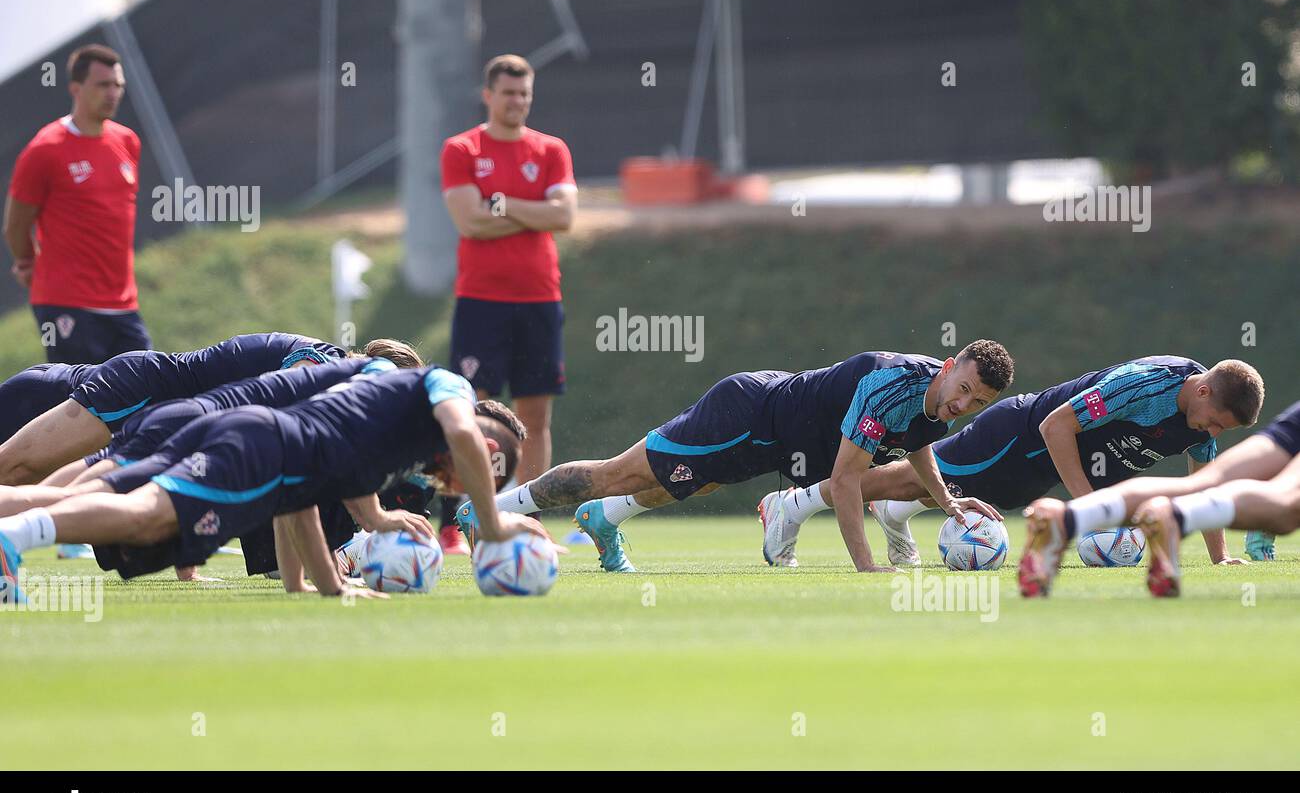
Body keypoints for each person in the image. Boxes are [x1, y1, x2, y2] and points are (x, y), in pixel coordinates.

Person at [457, 342, 1015, 573]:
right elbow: (848, 481)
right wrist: (867, 570)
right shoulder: (887, 384)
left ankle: (605, 519)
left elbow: (916, 441)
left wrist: (947, 502)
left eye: (978, 403)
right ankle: (489, 509)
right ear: (948, 367)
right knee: (616, 472)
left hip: (769, 437)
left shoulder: (932, 404)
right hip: (746, 416)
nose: (963, 405)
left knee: (700, 484)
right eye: (963, 388)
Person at [0, 366, 542, 603]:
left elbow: (296, 501)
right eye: (469, 479)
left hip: (255, 438)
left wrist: (319, 584)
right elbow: (464, 436)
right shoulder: (451, 391)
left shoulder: (378, 445)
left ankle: (11, 529)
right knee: (146, 515)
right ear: (488, 446)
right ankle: (14, 538)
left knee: (106, 502)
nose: (453, 486)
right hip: (254, 444)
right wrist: (492, 527)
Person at [785, 357, 1263, 574]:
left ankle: (895, 513)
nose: (1213, 433)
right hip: (1022, 433)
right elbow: (1057, 426)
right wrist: (1089, 507)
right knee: (919, 478)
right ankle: (795, 503)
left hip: (1071, 462)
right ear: (1202, 391)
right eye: (1217, 423)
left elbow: (1203, 483)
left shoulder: (1201, 420)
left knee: (990, 499)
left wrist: (1219, 555)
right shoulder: (1145, 385)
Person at [438, 53, 577, 555]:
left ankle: (529, 519)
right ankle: (459, 523)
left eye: (525, 94)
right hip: (481, 301)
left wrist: (501, 203)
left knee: (535, 420)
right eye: (509, 93)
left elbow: (564, 216)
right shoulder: (462, 148)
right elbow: (470, 222)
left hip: (540, 298)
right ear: (488, 95)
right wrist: (532, 212)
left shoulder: (551, 149)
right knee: (471, 415)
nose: (517, 102)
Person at [1021, 398, 1294, 598]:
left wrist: (1220, 555)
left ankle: (1068, 518)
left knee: (1204, 483)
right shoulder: (1154, 385)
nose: (1213, 433)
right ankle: (1176, 516)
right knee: (1286, 505)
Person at [0, 331, 345, 485]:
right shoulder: (325, 362)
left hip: (152, 408)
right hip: (136, 391)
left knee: (37, 484)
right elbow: (271, 421)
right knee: (16, 469)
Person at [4, 45, 151, 363]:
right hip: (66, 303)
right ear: (75, 88)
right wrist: (28, 263)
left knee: (149, 391)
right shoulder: (45, 150)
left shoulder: (127, 141)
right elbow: (15, 224)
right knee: (79, 402)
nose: (112, 93)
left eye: (117, 85)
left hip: (123, 304)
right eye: (103, 85)